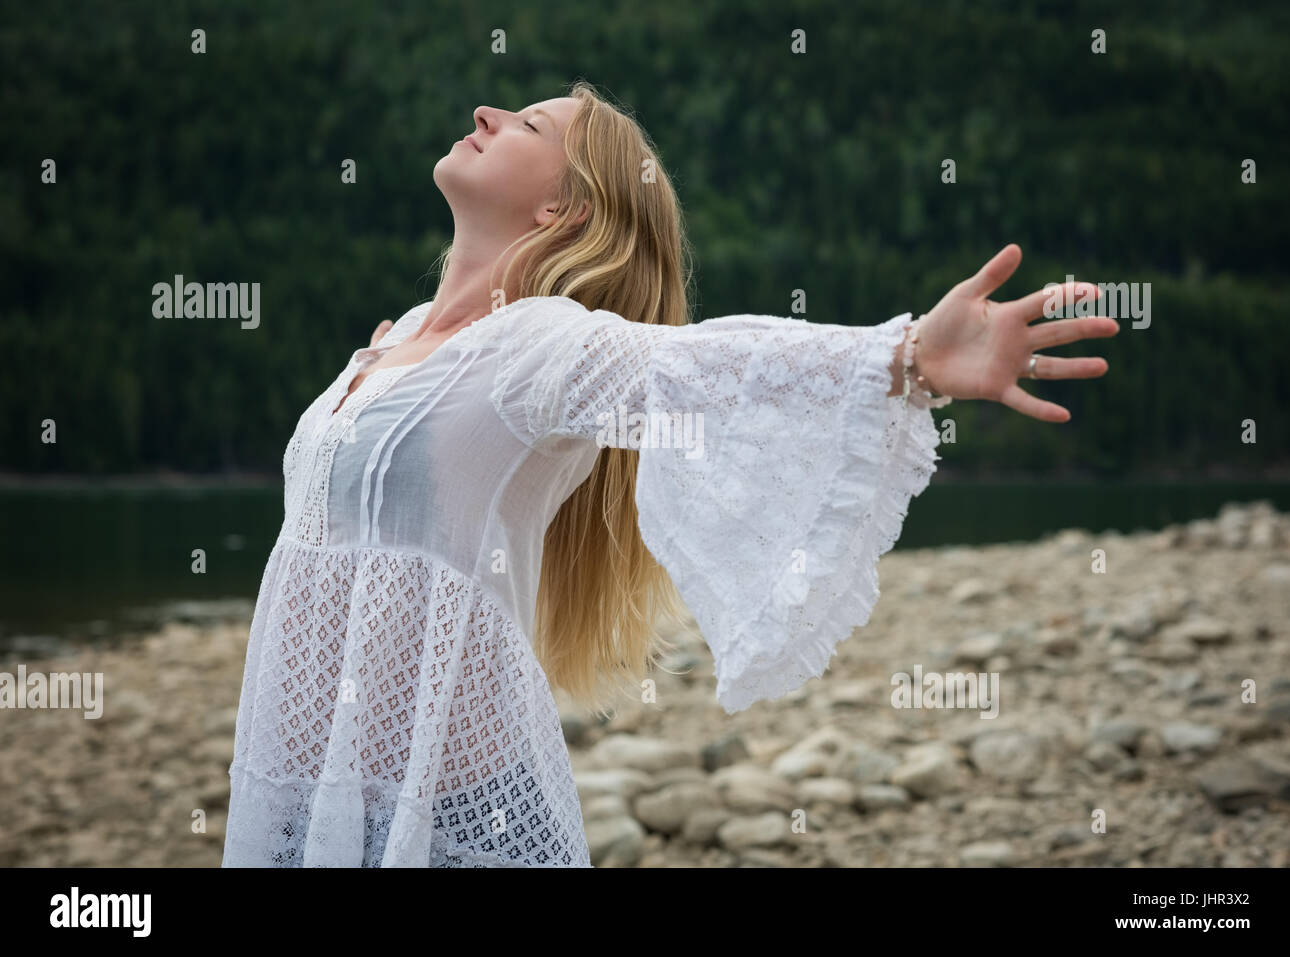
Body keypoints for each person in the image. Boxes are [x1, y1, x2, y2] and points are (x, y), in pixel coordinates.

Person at [221, 80, 1117, 868]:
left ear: (561, 211)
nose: (485, 114)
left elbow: (704, 368)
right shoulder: (397, 338)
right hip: (305, 790)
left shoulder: (536, 344)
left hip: (455, 810)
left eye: (527, 124)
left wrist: (909, 354)